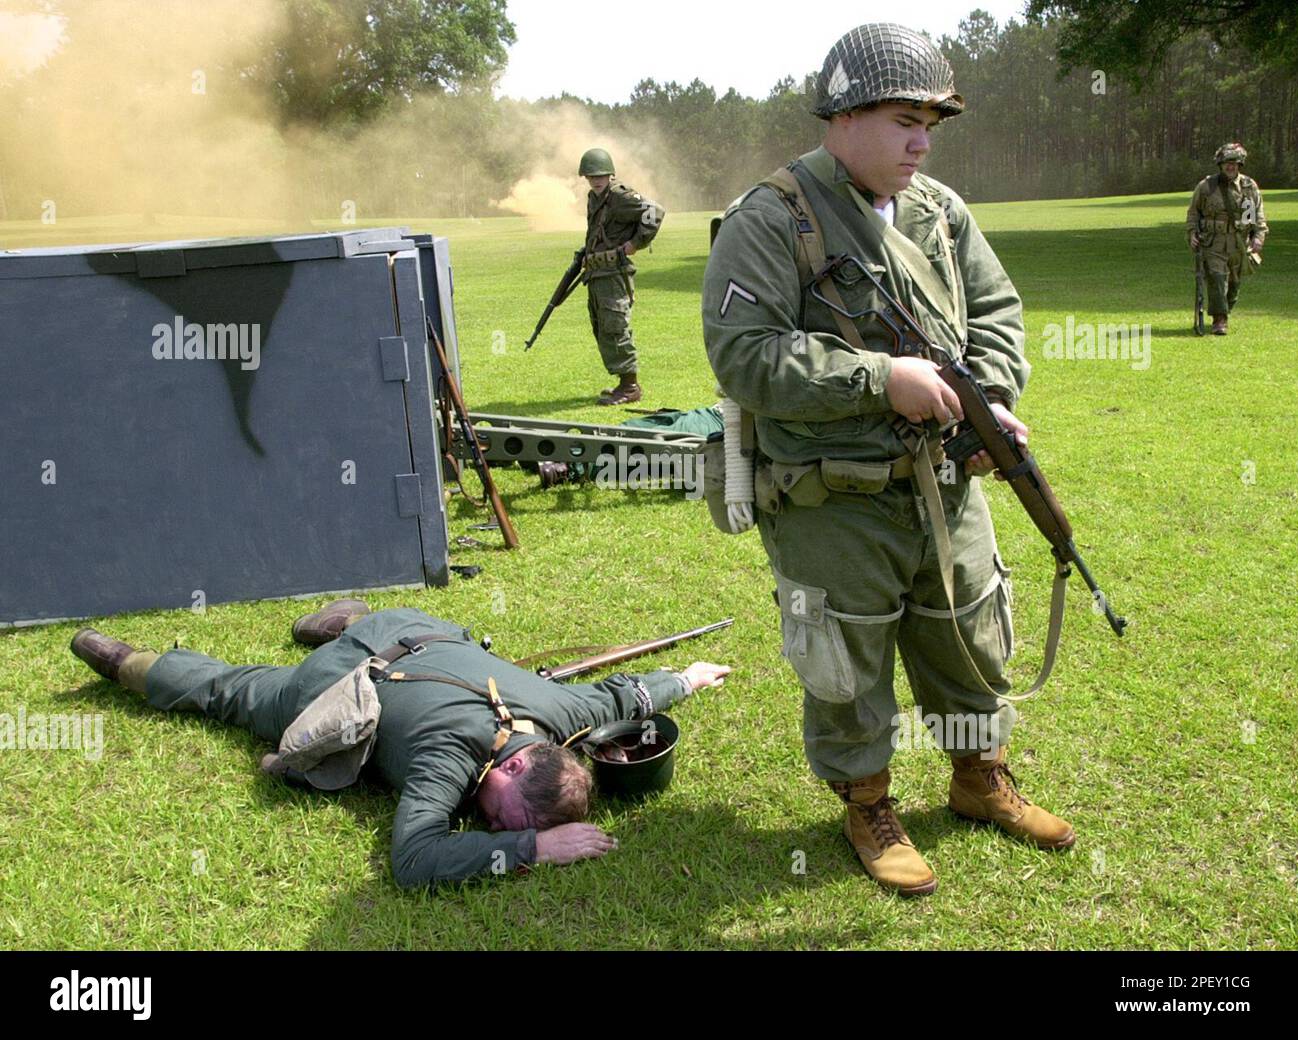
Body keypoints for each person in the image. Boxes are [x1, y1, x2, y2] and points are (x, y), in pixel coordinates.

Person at [702, 23, 1073, 898]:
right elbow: (744, 353)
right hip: (833, 499)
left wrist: (990, 401)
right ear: (845, 115)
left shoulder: (942, 213)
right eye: (905, 118)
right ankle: (866, 800)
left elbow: (998, 311)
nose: (921, 140)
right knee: (846, 661)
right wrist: (881, 378)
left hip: (948, 482)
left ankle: (980, 781)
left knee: (971, 637)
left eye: (931, 124)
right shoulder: (770, 219)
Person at [69, 600, 729, 888]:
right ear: (522, 760)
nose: (486, 823)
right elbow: (414, 861)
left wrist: (688, 677)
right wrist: (534, 847)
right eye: (504, 814)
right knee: (235, 694)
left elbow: (627, 696)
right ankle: (130, 662)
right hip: (336, 683)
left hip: (412, 626)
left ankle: (345, 621)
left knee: (371, 633)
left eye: (501, 826)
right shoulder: (449, 760)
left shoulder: (567, 710)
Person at [578, 147, 665, 405]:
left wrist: (636, 243)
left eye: (601, 175)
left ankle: (630, 387)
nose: (596, 179)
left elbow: (655, 211)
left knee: (615, 327)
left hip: (614, 273)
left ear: (610, 174)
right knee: (602, 327)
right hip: (598, 273)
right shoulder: (595, 198)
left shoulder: (619, 196)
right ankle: (622, 382)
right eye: (591, 175)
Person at [1186, 142, 1268, 335]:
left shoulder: (1249, 186)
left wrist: (1259, 236)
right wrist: (1191, 233)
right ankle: (1219, 320)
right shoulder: (1206, 186)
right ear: (1220, 164)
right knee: (1216, 278)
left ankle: (1224, 310)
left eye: (1235, 163)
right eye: (1227, 163)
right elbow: (1193, 213)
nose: (1230, 167)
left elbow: (1258, 214)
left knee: (1234, 284)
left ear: (1240, 165)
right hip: (1213, 242)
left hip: (1239, 244)